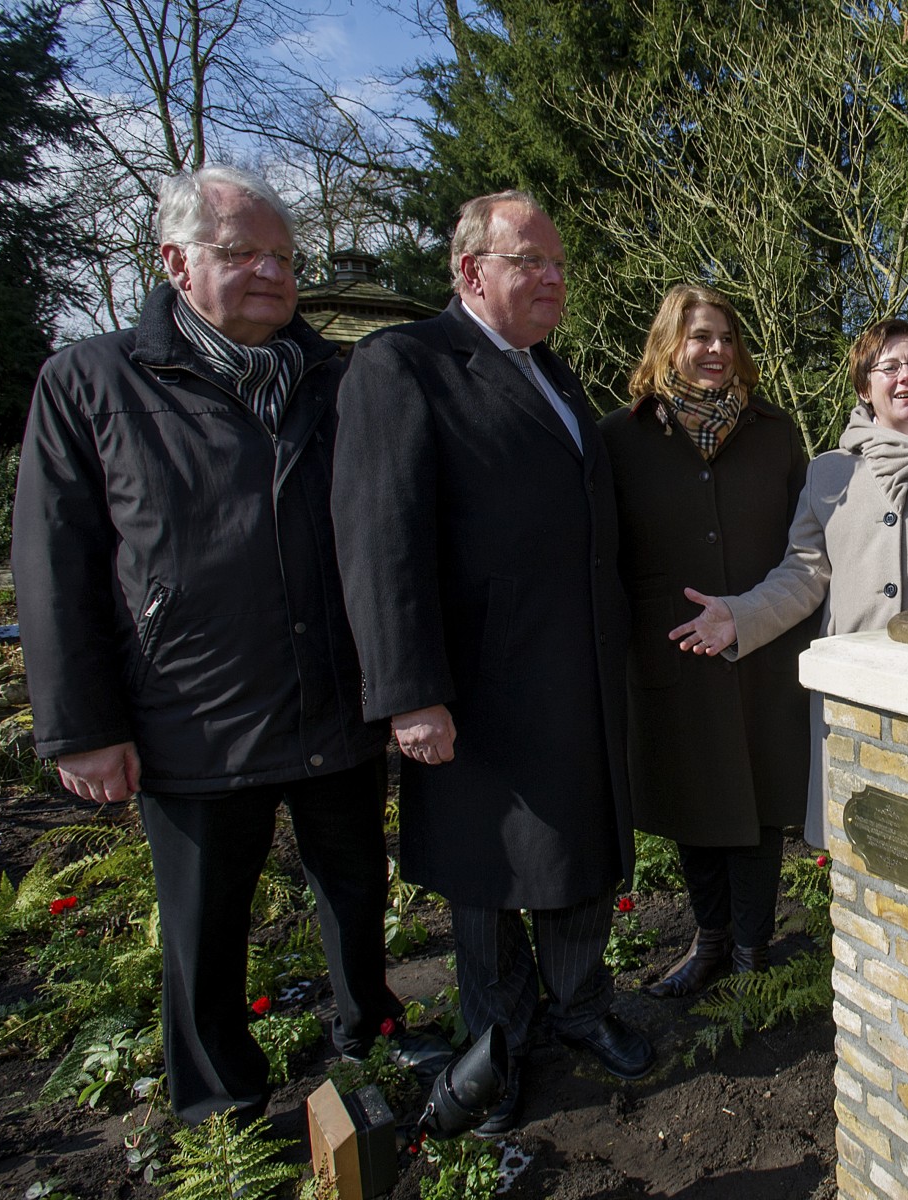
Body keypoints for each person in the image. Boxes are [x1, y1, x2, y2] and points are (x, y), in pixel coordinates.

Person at [11, 165, 404, 1126]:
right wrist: (81, 726)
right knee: (204, 921)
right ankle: (221, 1107)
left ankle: (373, 1040)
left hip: (333, 697)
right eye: (243, 253)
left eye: (284, 255)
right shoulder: (92, 381)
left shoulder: (337, 379)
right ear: (176, 262)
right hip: (193, 708)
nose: (272, 272)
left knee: (356, 891)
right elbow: (53, 566)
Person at [331, 190, 650, 1135]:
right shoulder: (406, 366)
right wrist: (410, 693)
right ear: (473, 271)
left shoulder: (553, 373)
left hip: (575, 674)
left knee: (579, 850)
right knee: (491, 872)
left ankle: (580, 1004)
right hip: (479, 686)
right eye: (532, 262)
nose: (554, 278)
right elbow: (379, 537)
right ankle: (495, 1048)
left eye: (558, 263)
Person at [598, 284, 813, 999]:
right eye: (699, 338)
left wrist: (757, 615)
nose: (716, 351)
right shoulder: (620, 439)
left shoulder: (775, 433)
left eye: (725, 337)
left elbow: (803, 548)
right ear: (670, 344)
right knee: (695, 802)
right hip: (669, 656)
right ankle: (711, 941)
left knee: (757, 806)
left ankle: (753, 950)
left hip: (761, 652)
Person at [669, 318, 908, 847]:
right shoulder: (828, 473)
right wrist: (739, 616)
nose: (905, 378)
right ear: (864, 386)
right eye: (889, 367)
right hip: (854, 690)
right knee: (864, 839)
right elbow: (803, 574)